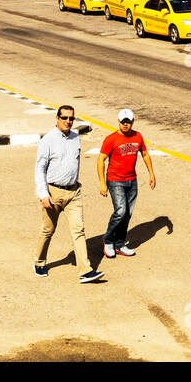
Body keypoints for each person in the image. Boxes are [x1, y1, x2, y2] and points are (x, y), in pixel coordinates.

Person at [33, 105, 104, 283]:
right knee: (48, 230)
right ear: (56, 118)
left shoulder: (75, 137)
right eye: (64, 118)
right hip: (52, 193)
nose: (68, 121)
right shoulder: (48, 140)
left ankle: (85, 271)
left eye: (71, 118)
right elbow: (39, 168)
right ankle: (39, 261)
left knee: (78, 231)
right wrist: (43, 194)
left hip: (73, 192)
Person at [97, 108, 155, 258]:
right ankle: (108, 240)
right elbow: (100, 160)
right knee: (121, 211)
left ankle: (120, 244)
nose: (125, 124)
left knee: (127, 214)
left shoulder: (138, 136)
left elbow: (145, 154)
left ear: (132, 122)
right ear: (118, 122)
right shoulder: (111, 139)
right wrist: (102, 183)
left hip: (131, 180)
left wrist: (151, 174)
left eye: (128, 122)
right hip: (115, 180)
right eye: (122, 122)